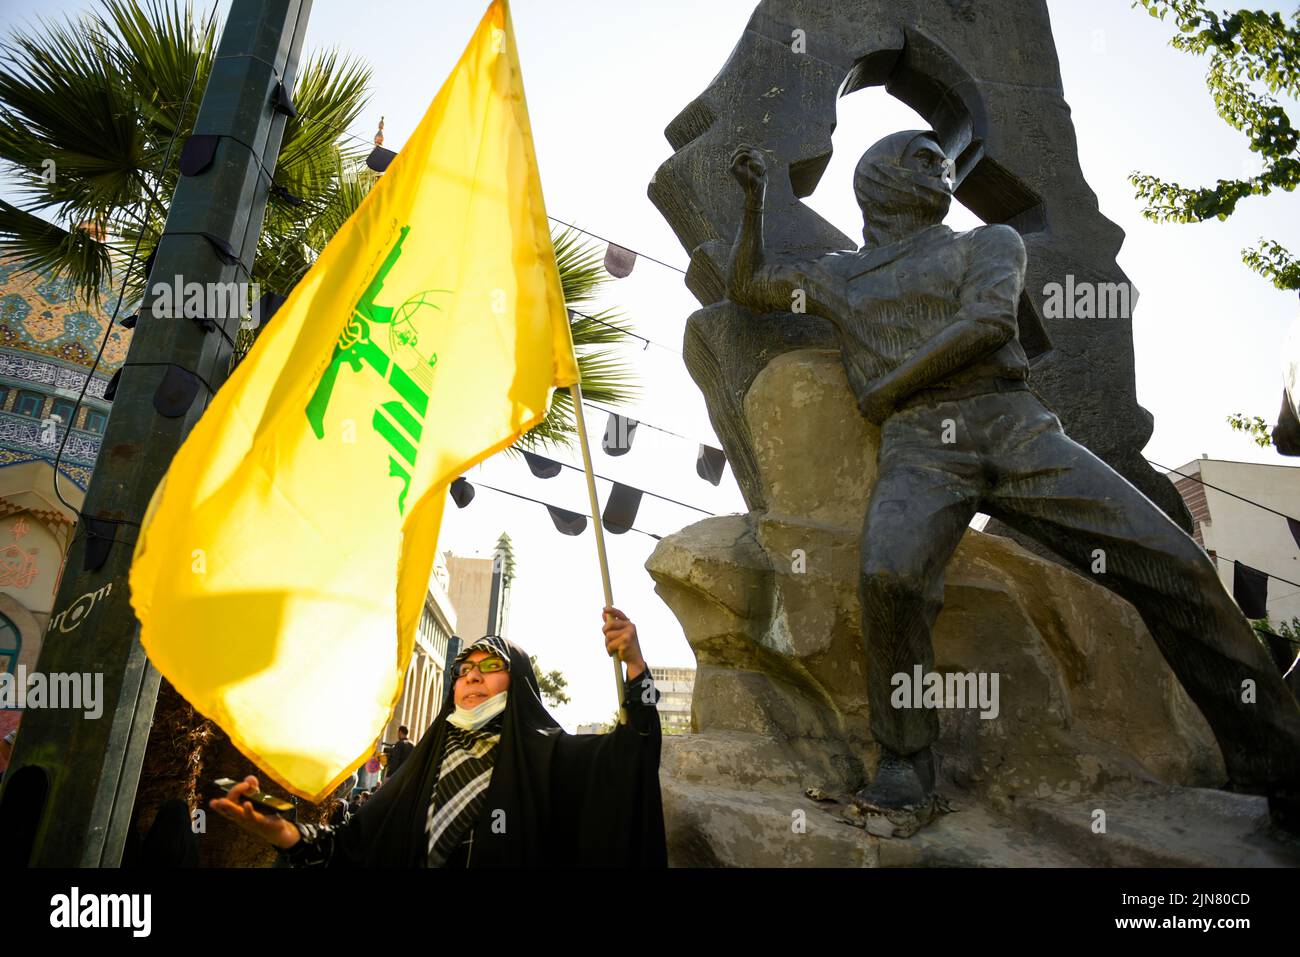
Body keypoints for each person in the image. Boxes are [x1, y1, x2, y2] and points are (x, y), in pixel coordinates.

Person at [726, 132, 1300, 825]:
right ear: (877, 179)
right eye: (921, 158)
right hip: (919, 447)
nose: (941, 169)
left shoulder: (987, 241)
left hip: (1015, 425)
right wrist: (755, 204)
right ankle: (907, 763)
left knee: (1172, 558)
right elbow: (750, 286)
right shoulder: (837, 273)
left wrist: (885, 389)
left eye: (945, 161)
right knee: (889, 576)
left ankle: (1280, 761)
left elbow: (988, 321)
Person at [211, 606, 666, 865]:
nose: (472, 678)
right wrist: (283, 830)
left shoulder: (551, 757)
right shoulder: (422, 764)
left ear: (520, 683)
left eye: (490, 668)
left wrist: (634, 664)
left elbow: (632, 754)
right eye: (464, 670)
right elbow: (350, 847)